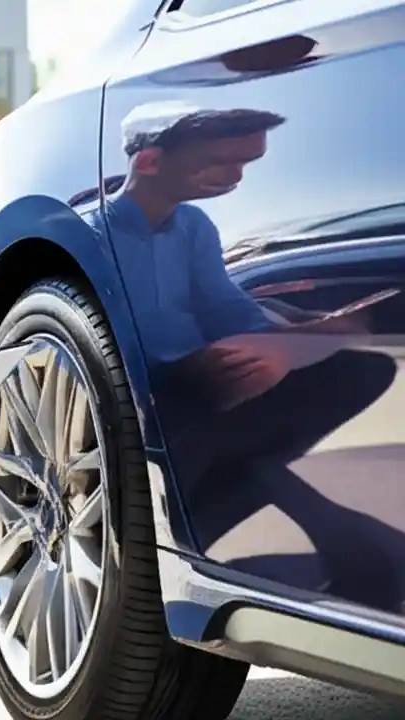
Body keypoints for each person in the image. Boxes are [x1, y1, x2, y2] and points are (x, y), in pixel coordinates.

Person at [91, 102, 401, 610]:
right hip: (154, 386)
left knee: (357, 370)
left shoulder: (192, 227)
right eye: (219, 163)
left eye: (245, 165)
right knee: (248, 431)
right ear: (148, 162)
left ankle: (340, 546)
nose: (235, 178)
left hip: (214, 372)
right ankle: (350, 551)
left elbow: (223, 305)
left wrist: (281, 342)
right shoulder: (97, 234)